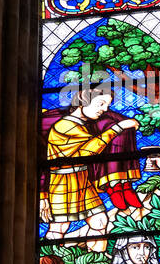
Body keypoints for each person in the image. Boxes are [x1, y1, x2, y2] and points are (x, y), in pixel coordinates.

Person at [41, 88, 138, 238]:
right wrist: (119, 127)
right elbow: (88, 151)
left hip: (82, 181)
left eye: (107, 105)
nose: (104, 109)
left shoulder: (83, 125)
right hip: (63, 183)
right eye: (100, 104)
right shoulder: (65, 126)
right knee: (58, 228)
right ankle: (52, 260)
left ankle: (97, 258)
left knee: (100, 222)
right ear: (82, 102)